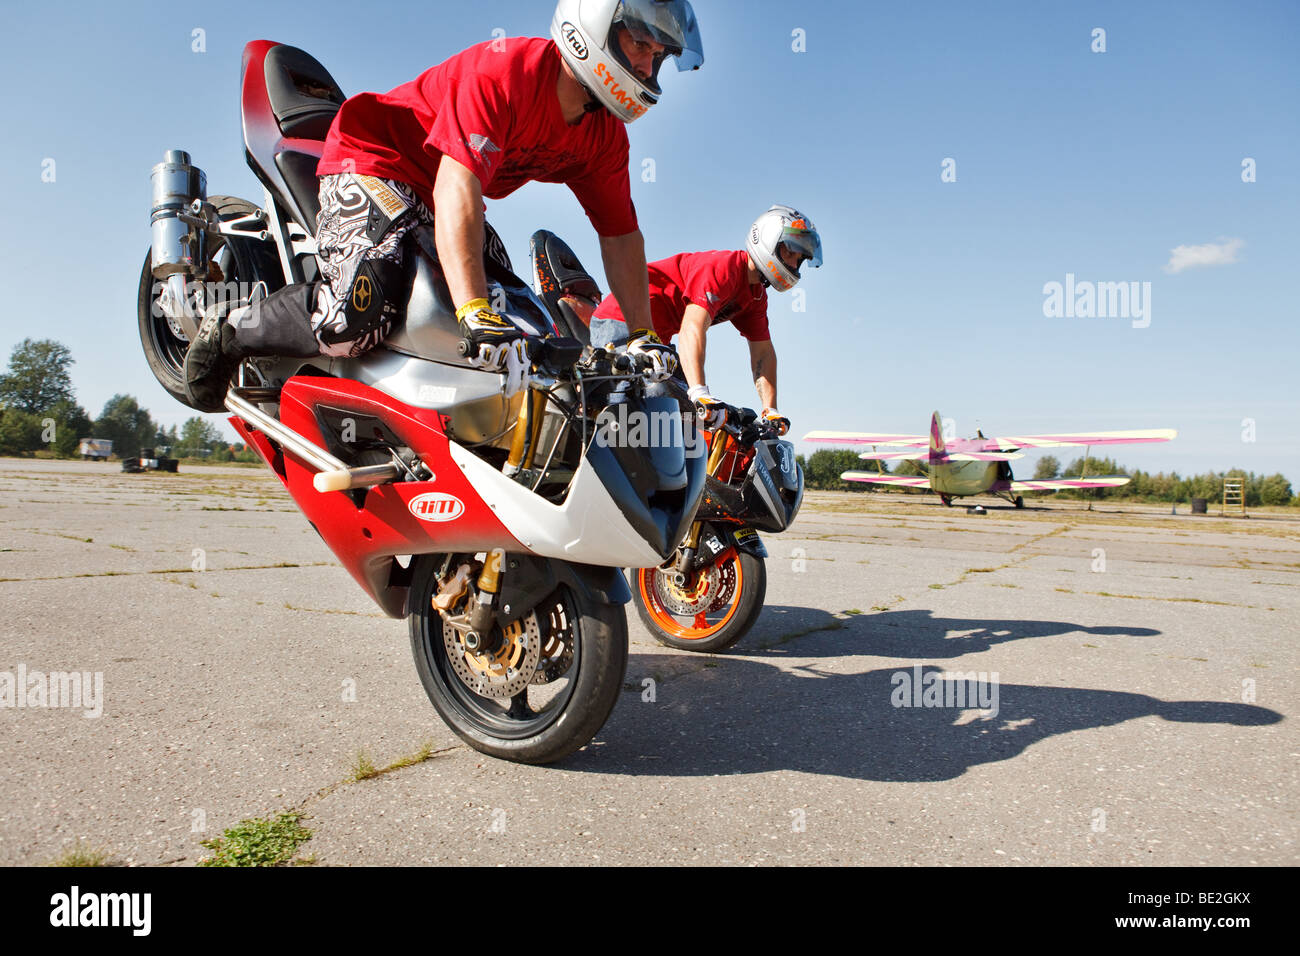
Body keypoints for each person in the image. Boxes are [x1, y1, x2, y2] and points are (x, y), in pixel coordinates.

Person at [184, 0, 704, 412]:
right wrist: (473, 306)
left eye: (658, 55)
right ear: (593, 25)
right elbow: (460, 183)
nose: (646, 62)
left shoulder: (604, 137)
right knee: (357, 316)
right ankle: (230, 328)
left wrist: (643, 337)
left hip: (441, 194)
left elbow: (620, 235)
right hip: (374, 162)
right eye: (639, 42)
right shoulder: (507, 73)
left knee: (526, 325)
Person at [588, 204, 822, 434]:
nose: (793, 264)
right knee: (633, 413)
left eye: (799, 259)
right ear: (769, 240)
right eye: (789, 252)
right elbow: (692, 326)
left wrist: (770, 410)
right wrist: (699, 392)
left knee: (685, 420)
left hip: (656, 340)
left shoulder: (756, 296)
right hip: (621, 319)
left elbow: (763, 352)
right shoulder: (724, 267)